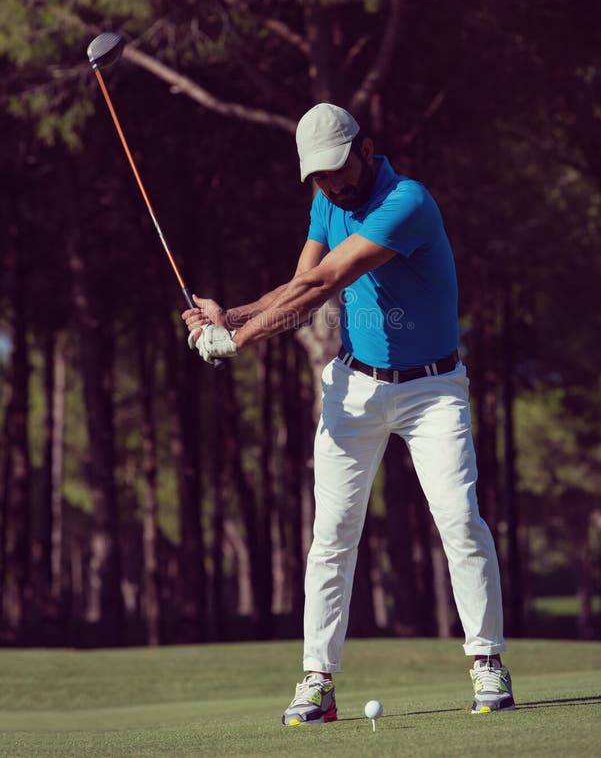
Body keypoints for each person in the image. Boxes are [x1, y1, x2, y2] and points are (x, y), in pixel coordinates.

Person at [182, 102, 515, 722]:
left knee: (458, 520)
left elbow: (326, 283)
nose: (330, 184)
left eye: (336, 169)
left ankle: (487, 663)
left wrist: (234, 341)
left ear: (364, 148)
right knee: (331, 536)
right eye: (317, 176)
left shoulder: (408, 202)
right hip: (354, 388)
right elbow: (297, 288)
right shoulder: (325, 199)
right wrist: (229, 317)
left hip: (432, 391)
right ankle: (318, 681)